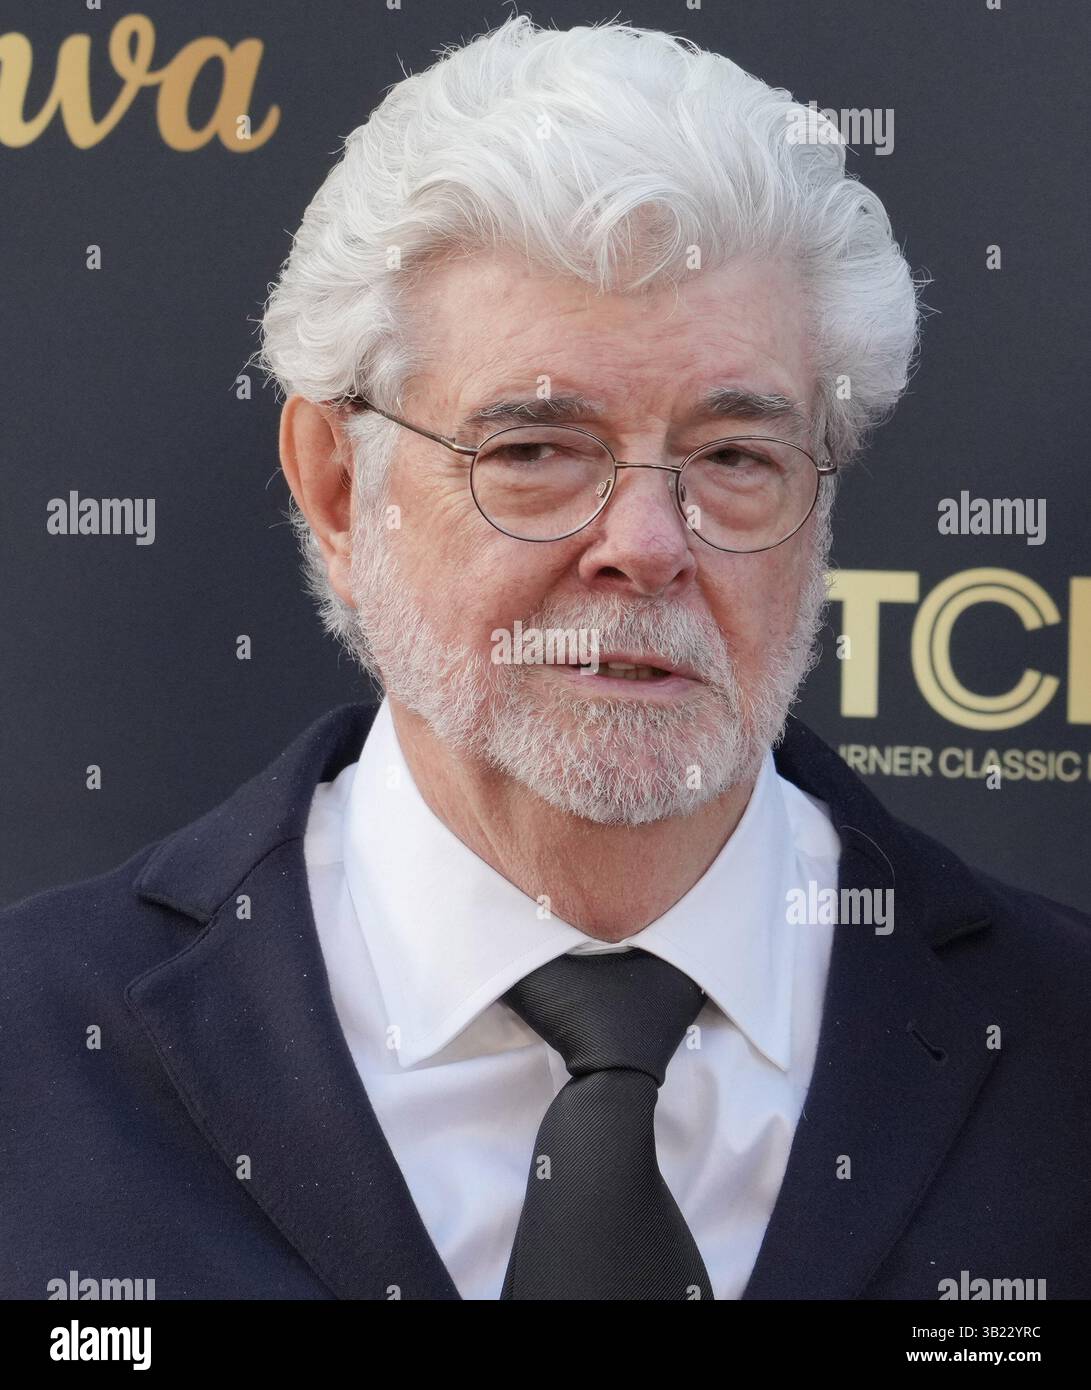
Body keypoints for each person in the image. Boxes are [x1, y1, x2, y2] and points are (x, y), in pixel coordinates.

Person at [3, 16, 1088, 1301]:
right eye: (532, 449)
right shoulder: (37, 1051)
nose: (644, 543)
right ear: (339, 487)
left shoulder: (1057, 1049)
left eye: (733, 457)